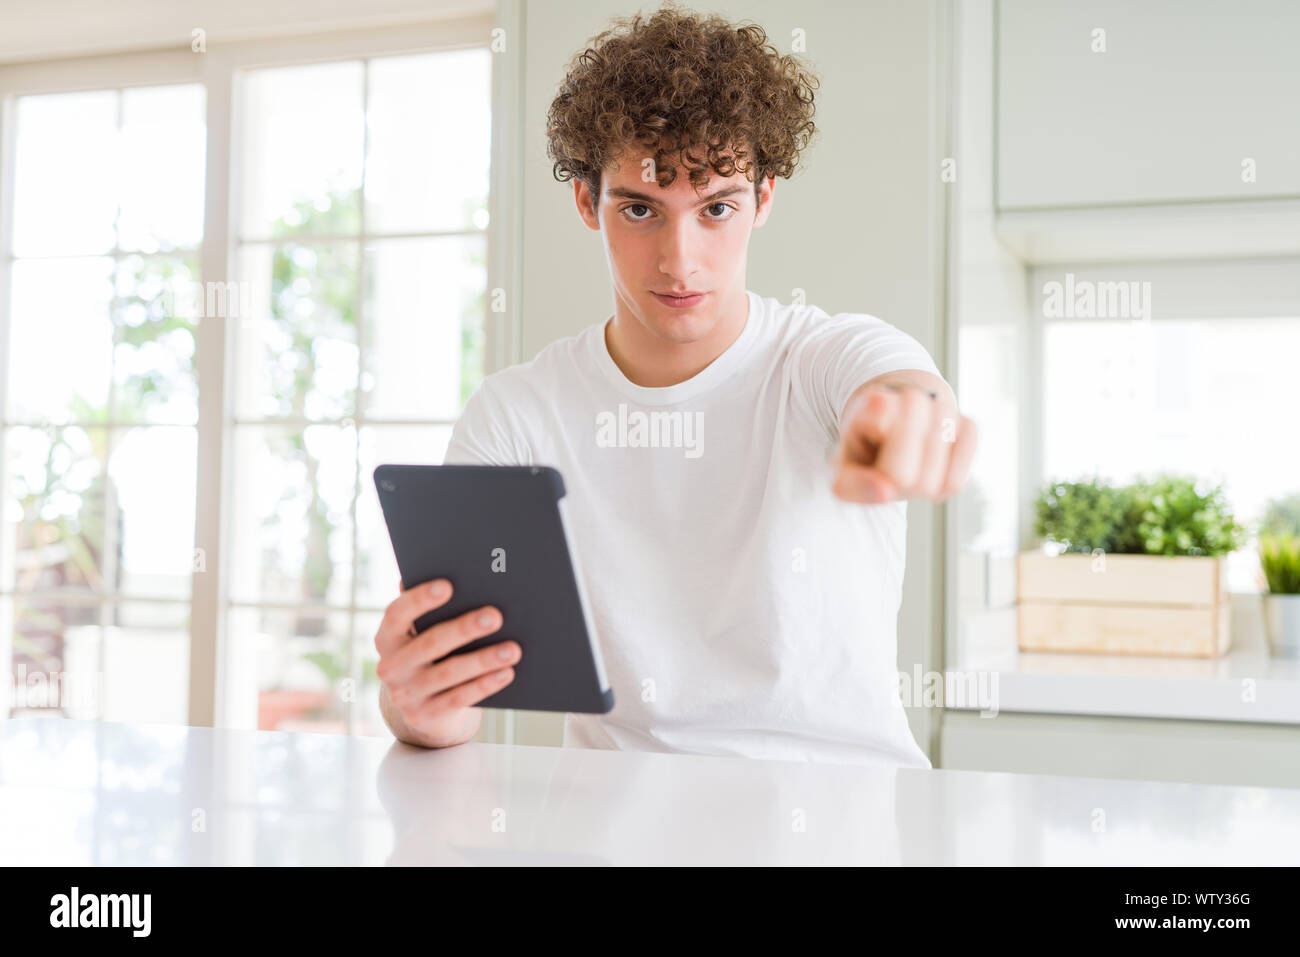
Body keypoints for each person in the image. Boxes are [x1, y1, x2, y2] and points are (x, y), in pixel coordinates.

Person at [374, 4, 977, 767]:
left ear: (762, 200)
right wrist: (415, 705)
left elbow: (897, 385)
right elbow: (447, 689)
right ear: (588, 203)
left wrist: (914, 418)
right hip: (616, 830)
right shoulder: (518, 415)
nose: (679, 260)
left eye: (716, 208)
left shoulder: (824, 357)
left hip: (843, 819)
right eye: (640, 210)